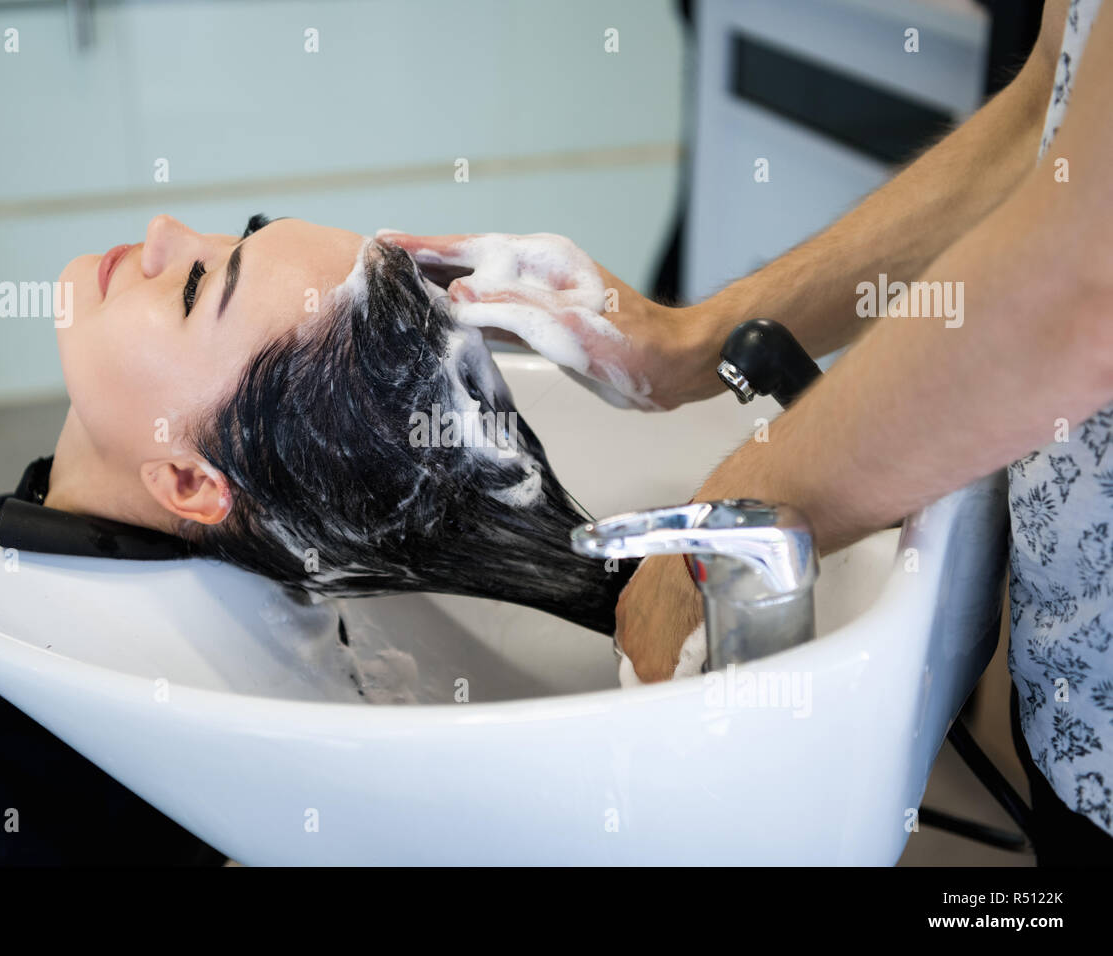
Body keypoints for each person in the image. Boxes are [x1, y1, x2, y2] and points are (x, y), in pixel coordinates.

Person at [382, 0, 1113, 862]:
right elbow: (1046, 115)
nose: (172, 230)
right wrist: (693, 342)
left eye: (209, 280)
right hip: (1074, 689)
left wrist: (740, 514)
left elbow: (1081, 285)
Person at [0, 214, 624, 865]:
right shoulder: (276, 600)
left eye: (197, 287)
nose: (164, 233)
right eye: (236, 235)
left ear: (194, 484)